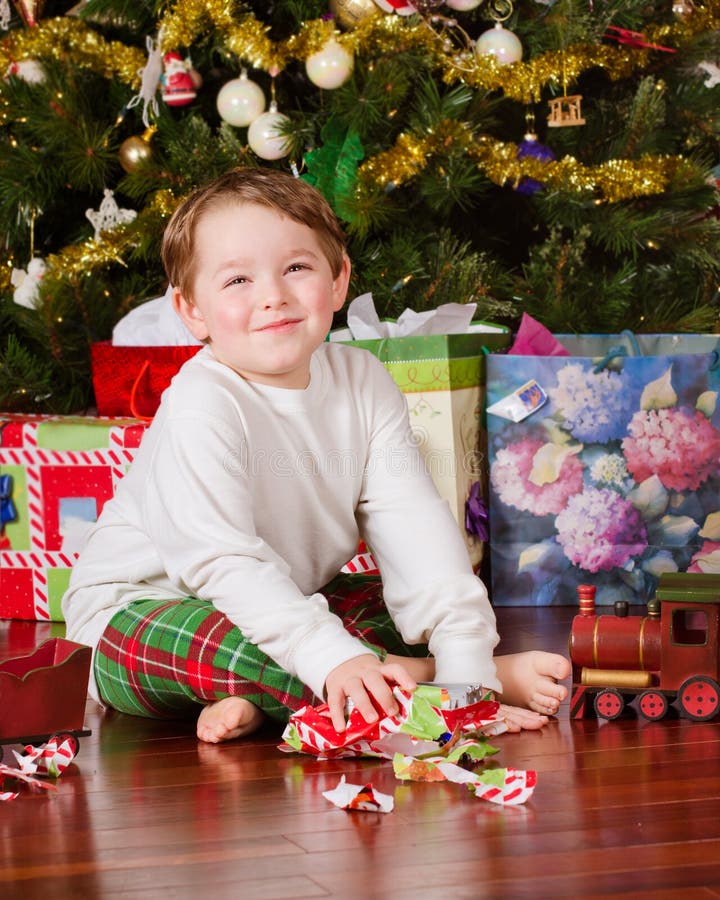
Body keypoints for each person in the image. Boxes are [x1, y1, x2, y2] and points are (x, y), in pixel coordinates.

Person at [62, 167, 570, 744]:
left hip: (284, 599)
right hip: (139, 612)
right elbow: (221, 563)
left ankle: (399, 686)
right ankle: (416, 703)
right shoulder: (202, 401)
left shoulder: (364, 381)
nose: (273, 296)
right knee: (234, 640)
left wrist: (466, 660)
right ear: (192, 311)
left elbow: (416, 529)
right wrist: (327, 654)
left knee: (389, 598)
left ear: (337, 280)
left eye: (296, 268)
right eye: (237, 281)